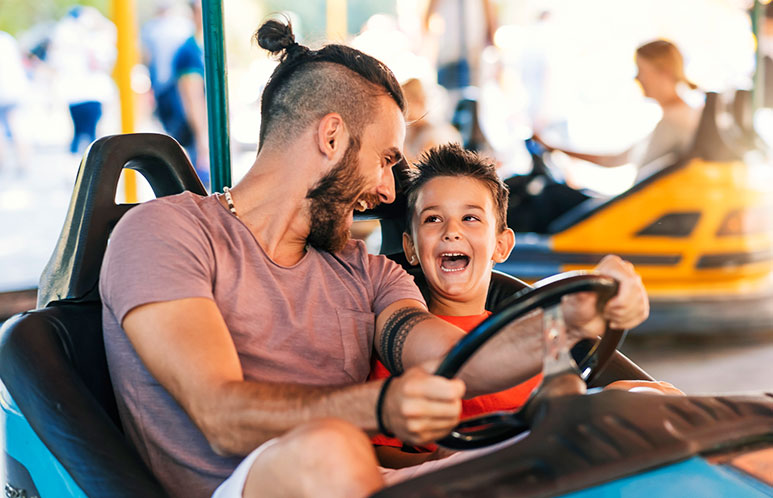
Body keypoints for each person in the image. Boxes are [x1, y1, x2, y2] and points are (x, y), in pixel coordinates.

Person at [99, 19, 649, 498]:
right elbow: (220, 415)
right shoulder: (168, 232)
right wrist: (379, 407)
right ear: (332, 138)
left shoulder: (365, 271)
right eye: (386, 159)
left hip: (364, 484)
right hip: (253, 485)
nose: (389, 191)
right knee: (332, 451)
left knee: (626, 409)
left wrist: (571, 318)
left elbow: (459, 358)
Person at [536, 39, 702, 182]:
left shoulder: (676, 121)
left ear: (662, 72)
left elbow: (623, 165)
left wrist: (554, 148)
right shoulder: (681, 115)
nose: (636, 78)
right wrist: (555, 148)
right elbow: (613, 160)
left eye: (641, 71)